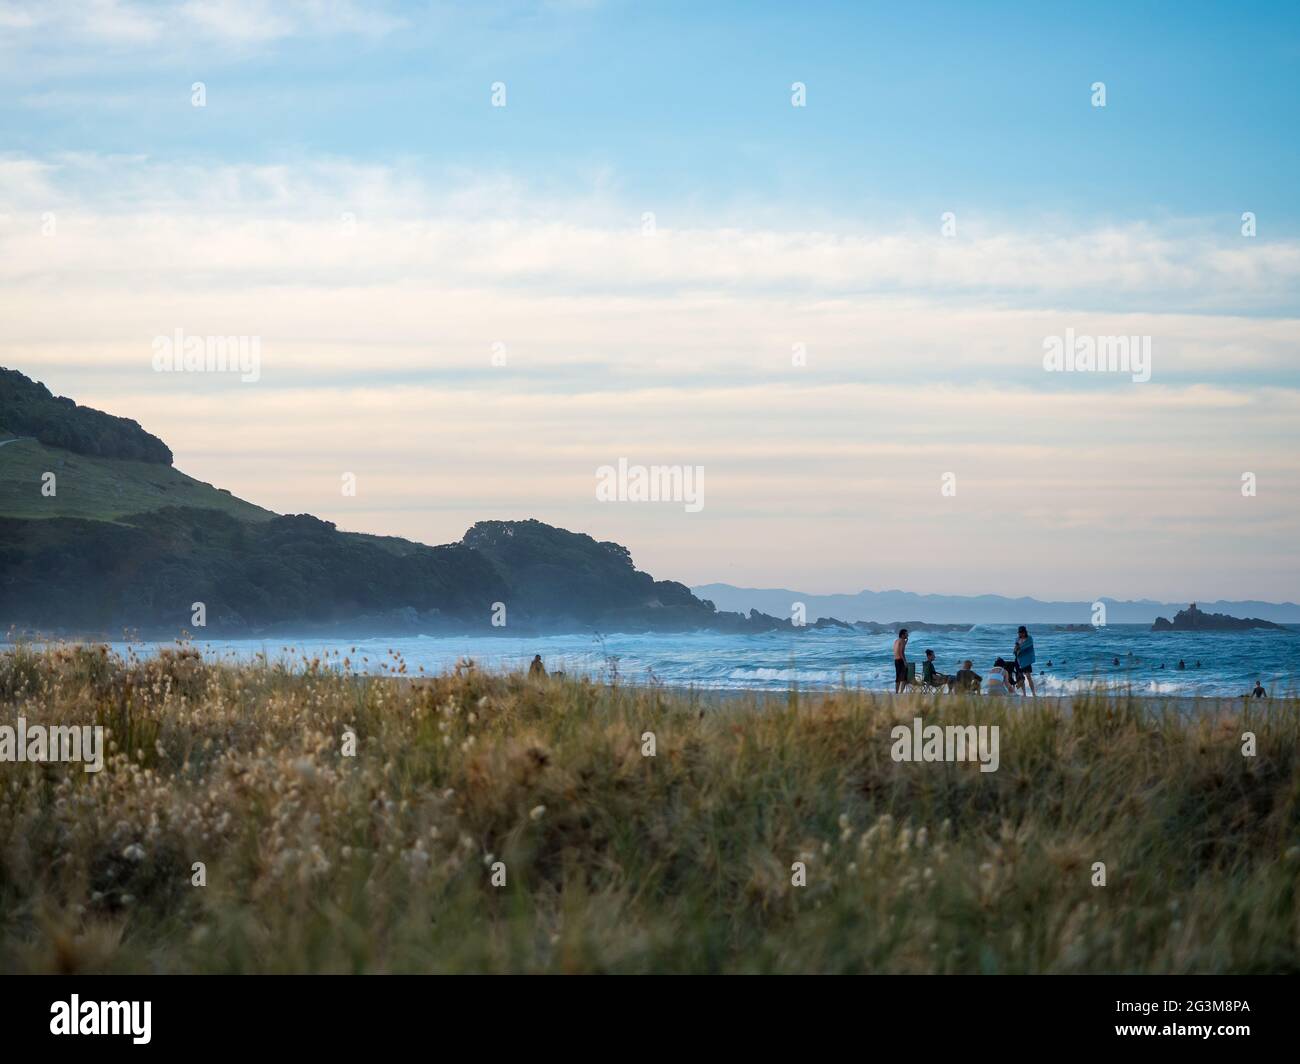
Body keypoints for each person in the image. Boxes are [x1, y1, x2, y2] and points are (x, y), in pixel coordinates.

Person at [1014, 625, 1037, 696]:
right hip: (1018, 659)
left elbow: (1026, 646)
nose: (1020, 634)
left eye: (1021, 632)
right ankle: (1024, 694)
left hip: (1026, 660)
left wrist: (1019, 648)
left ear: (1025, 632)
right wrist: (1016, 649)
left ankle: (1033, 693)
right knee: (1021, 678)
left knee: (1028, 677)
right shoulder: (1017, 639)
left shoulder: (1029, 638)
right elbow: (1015, 649)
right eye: (1019, 632)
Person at [892, 628, 910, 693]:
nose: (908, 634)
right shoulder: (902, 641)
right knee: (905, 678)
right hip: (900, 660)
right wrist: (905, 661)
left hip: (896, 660)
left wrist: (906, 641)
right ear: (903, 635)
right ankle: (901, 692)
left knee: (898, 677)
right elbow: (901, 652)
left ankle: (896, 692)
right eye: (906, 633)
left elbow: (897, 649)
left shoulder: (897, 641)